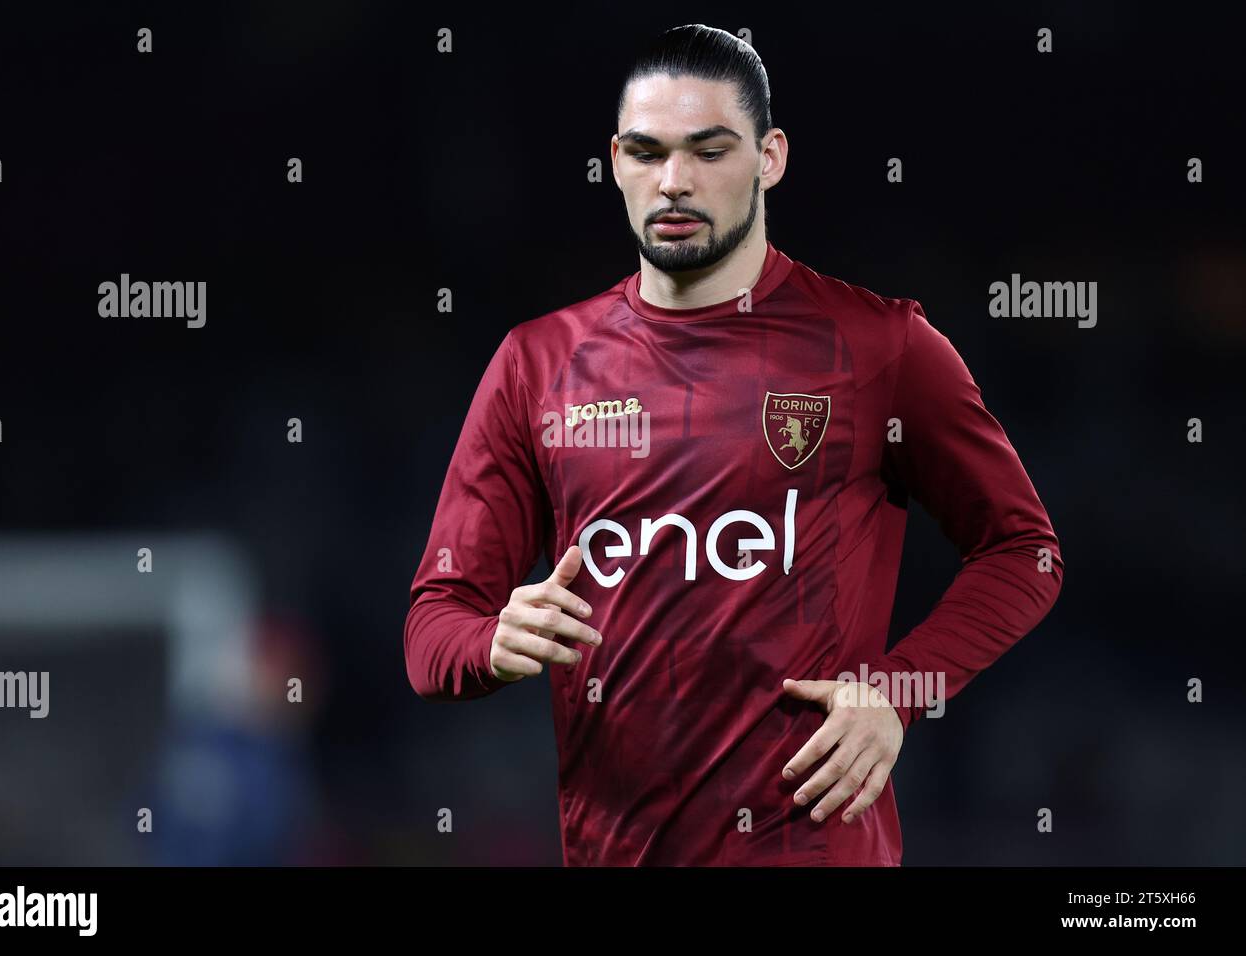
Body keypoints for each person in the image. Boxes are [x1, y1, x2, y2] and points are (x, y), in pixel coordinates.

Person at [404, 23, 1063, 865]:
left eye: (708, 151)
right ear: (614, 161)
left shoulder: (879, 345)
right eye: (647, 153)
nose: (673, 182)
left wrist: (899, 692)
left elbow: (1025, 552)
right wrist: (489, 642)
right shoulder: (539, 364)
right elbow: (432, 629)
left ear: (771, 157)